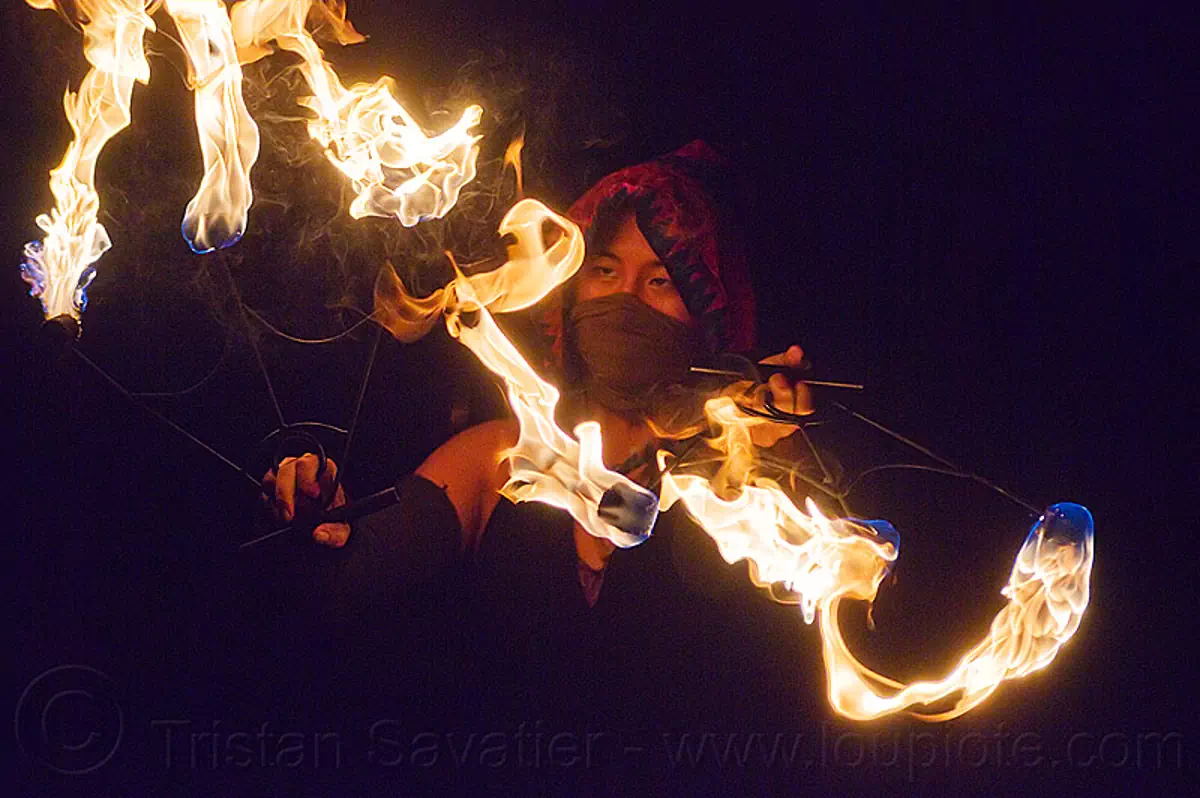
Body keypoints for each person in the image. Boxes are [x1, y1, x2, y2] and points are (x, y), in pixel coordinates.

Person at [263, 140, 832, 741]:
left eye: (660, 279)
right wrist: (320, 526)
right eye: (605, 270)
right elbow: (351, 584)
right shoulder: (496, 456)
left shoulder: (740, 485)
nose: (623, 298)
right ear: (569, 289)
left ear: (707, 311)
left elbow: (809, 664)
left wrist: (781, 456)